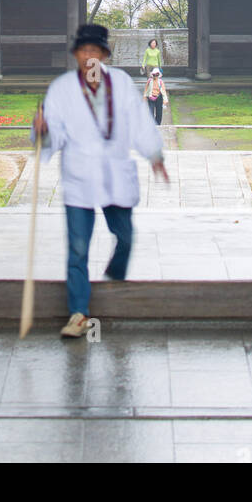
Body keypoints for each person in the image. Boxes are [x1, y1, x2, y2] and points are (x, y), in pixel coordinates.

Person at [32, 22, 170, 338]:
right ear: (77, 55)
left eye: (96, 51)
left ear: (105, 56)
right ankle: (79, 313)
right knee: (78, 248)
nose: (89, 56)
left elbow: (139, 123)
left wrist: (155, 155)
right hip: (80, 176)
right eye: (84, 51)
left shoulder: (120, 84)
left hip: (114, 174)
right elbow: (54, 130)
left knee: (125, 239)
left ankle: (114, 283)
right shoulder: (63, 89)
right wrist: (43, 129)